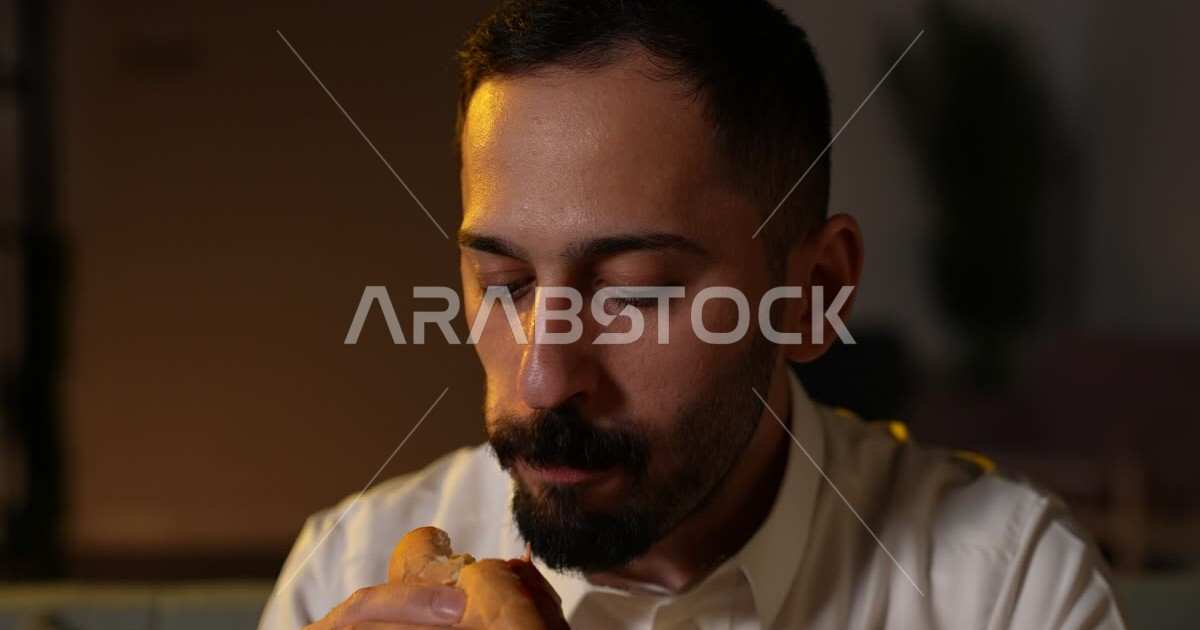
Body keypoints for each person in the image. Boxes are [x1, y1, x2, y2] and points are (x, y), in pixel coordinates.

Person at [259, 1, 1128, 628]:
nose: (543, 377)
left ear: (814, 292)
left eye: (635, 290)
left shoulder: (1012, 589)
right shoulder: (343, 569)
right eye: (505, 281)